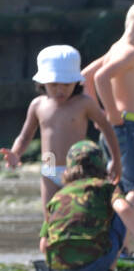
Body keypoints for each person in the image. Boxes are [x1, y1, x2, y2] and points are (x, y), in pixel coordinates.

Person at [3, 45, 122, 220]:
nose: (60, 90)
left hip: (76, 167)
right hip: (49, 165)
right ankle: (49, 245)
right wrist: (15, 153)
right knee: (50, 218)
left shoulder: (84, 103)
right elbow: (25, 136)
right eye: (54, 84)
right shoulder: (38, 105)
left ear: (76, 82)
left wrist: (115, 160)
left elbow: (107, 128)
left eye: (66, 84)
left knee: (77, 217)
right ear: (42, 83)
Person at [81, 0, 134, 219]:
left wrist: (99, 116)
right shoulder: (130, 53)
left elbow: (84, 78)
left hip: (115, 128)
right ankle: (116, 240)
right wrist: (111, 114)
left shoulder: (115, 49)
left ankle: (117, 242)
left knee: (120, 189)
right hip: (127, 127)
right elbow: (100, 77)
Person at [37, 140, 134, 271]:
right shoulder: (106, 188)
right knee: (119, 212)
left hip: (61, 268)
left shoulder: (58, 196)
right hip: (97, 264)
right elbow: (125, 210)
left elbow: (43, 245)